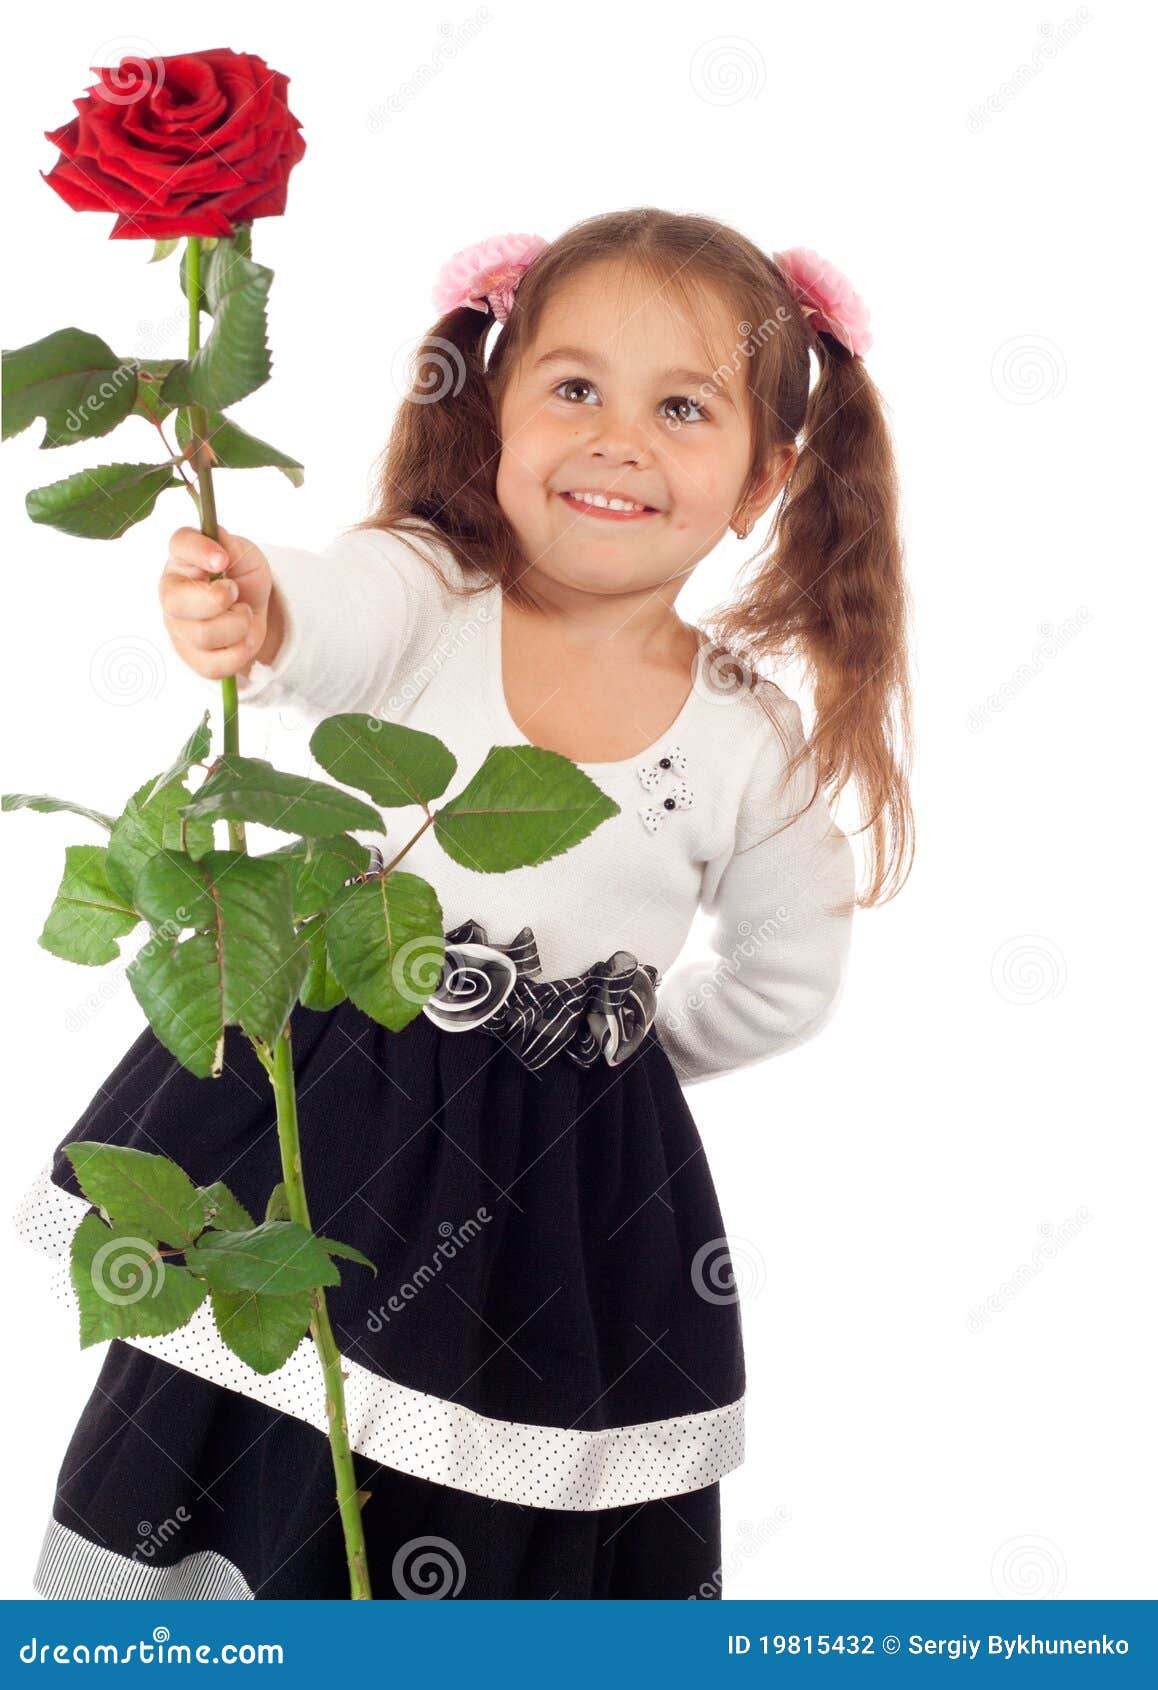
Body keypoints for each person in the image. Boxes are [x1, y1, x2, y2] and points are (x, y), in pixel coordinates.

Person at [14, 208, 913, 1600]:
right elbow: (320, 614)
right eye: (573, 388)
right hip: (323, 1132)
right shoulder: (431, 591)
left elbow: (788, 975)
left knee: (502, 1466)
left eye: (681, 407)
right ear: (494, 408)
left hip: (557, 1211)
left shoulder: (747, 739)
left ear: (762, 478)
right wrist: (247, 600)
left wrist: (591, 1056)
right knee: (257, 1405)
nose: (616, 437)